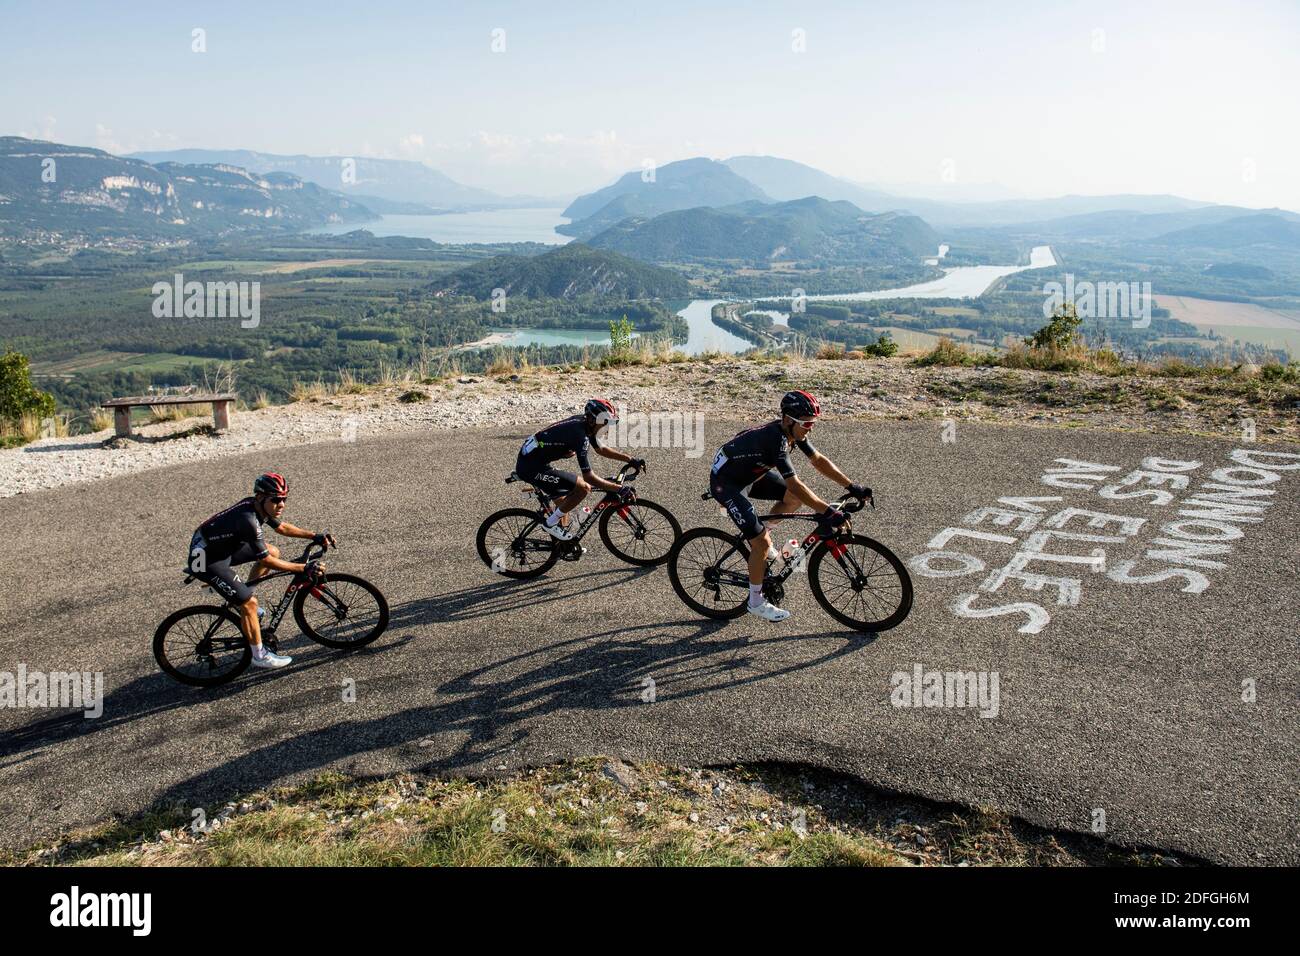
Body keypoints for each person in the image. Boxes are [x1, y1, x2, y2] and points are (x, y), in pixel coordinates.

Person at [708, 390, 870, 622]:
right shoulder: (777, 440)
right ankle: (755, 602)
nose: (810, 428)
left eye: (812, 423)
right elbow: (795, 483)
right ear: (787, 419)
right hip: (727, 484)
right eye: (806, 423)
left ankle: (765, 545)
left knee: (791, 501)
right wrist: (827, 511)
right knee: (760, 542)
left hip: (749, 474)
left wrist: (852, 485)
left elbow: (818, 461)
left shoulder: (792, 431)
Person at [187, 472, 334, 669]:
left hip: (220, 548)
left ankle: (244, 603)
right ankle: (259, 655)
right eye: (276, 499)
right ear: (260, 497)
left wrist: (314, 536)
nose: (281, 504)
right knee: (250, 602)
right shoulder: (248, 520)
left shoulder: (258, 507)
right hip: (207, 559)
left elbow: (282, 528)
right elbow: (265, 561)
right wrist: (303, 567)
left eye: (284, 499)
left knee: (273, 550)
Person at [515, 399, 644, 541]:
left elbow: (601, 449)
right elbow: (588, 477)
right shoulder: (580, 436)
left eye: (610, 423)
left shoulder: (585, 424)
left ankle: (561, 545)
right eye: (606, 422)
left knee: (564, 505)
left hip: (535, 462)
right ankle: (549, 525)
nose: (608, 427)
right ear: (592, 420)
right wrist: (618, 489)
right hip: (531, 468)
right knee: (583, 488)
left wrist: (630, 459)